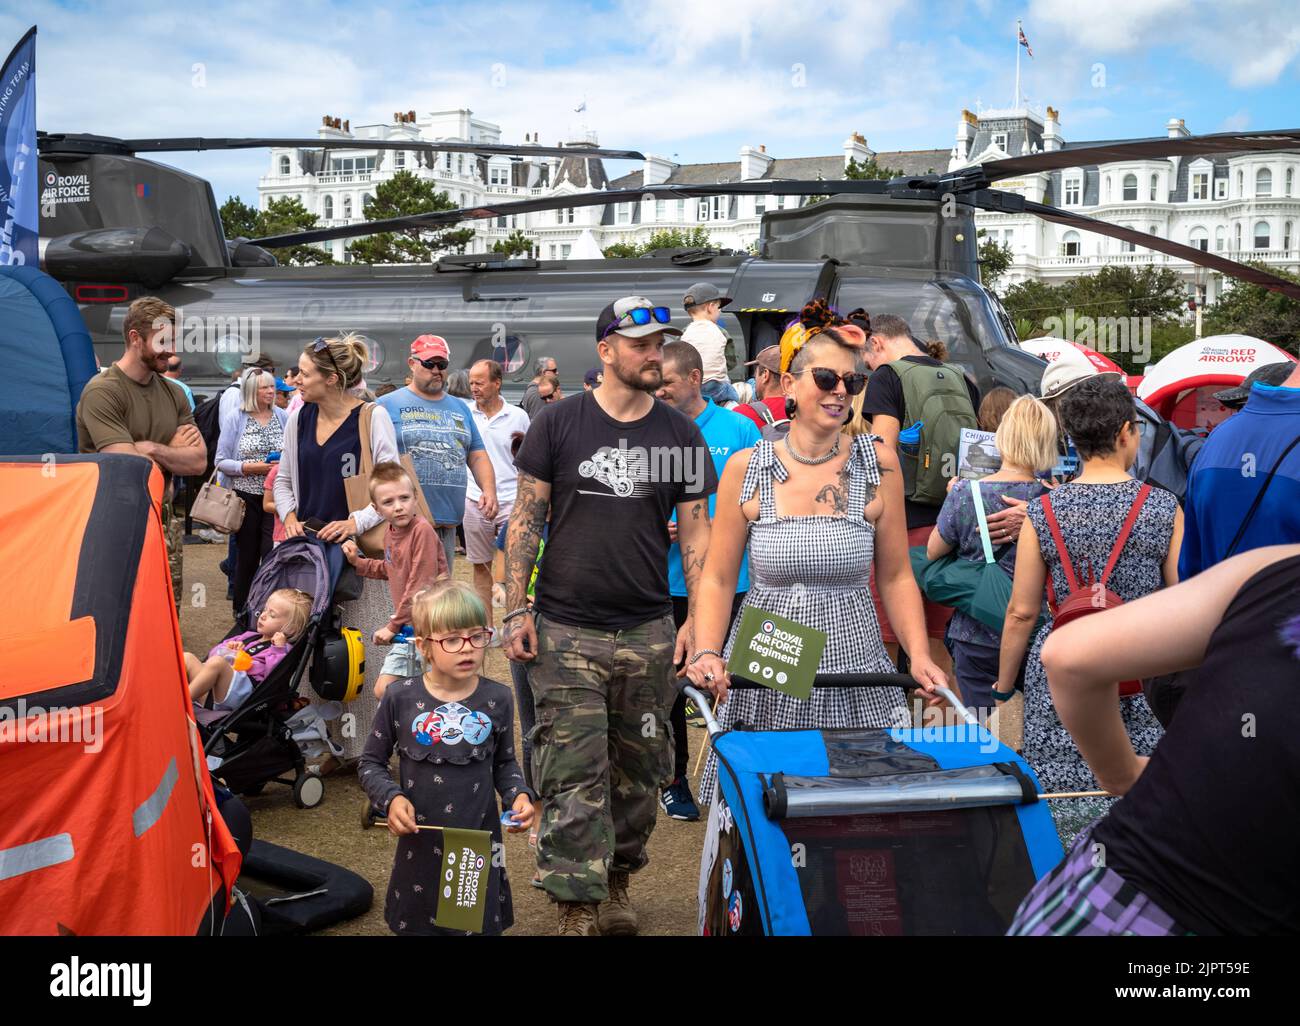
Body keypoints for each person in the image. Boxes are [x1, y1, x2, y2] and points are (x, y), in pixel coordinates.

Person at [503, 295, 716, 936]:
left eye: (659, 345)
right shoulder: (559, 423)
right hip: (566, 627)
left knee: (638, 769)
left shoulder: (679, 434)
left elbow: (699, 537)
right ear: (605, 351)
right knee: (571, 770)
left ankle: (618, 880)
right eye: (640, 344)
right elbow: (525, 519)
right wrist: (516, 607)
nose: (654, 355)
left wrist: (698, 627)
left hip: (649, 628)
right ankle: (576, 902)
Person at [688, 301, 948, 809]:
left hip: (856, 664)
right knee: (770, 802)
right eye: (826, 378)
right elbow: (718, 578)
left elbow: (895, 575)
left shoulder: (879, 464)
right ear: (789, 384)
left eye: (851, 383)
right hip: (767, 662)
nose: (839, 392)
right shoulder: (747, 467)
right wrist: (706, 650)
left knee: (858, 803)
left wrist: (918, 655)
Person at [1009, 544, 1300, 936]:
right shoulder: (1163, 509)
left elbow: (1041, 630)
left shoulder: (1278, 567)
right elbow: (1180, 575)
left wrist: (1120, 774)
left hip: (1090, 900)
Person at [995, 375, 1183, 844]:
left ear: (1072, 440)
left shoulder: (1042, 512)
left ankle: (1068, 887)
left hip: (1063, 667)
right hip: (1140, 666)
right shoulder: (1163, 507)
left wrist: (1002, 689)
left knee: (1063, 797)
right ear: (1126, 433)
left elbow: (1021, 611)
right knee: (1138, 791)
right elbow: (1181, 597)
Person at [358, 581, 536, 936]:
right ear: (424, 646)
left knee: (468, 923)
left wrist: (519, 796)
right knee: (420, 924)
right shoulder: (399, 698)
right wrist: (390, 799)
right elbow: (370, 763)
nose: (467, 648)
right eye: (452, 639)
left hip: (474, 846)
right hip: (419, 846)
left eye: (477, 636)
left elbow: (504, 763)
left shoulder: (498, 698)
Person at [273, 333, 399, 766]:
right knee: (308, 642)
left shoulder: (371, 417)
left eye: (304, 374)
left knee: (359, 646)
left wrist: (354, 522)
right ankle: (320, 743)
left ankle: (365, 749)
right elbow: (285, 479)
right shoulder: (299, 417)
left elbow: (391, 486)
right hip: (307, 551)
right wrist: (289, 516)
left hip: (358, 554)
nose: (296, 382)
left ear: (330, 378)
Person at [655, 340, 761, 822]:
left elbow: (764, 499)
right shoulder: (650, 428)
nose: (660, 391)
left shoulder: (739, 428)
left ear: (695, 379)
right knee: (670, 687)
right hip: (665, 583)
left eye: (668, 383)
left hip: (733, 582)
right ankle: (674, 780)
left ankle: (741, 777)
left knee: (742, 681)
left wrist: (716, 526)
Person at [862, 314, 980, 674]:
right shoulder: (962, 379)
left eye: (866, 361)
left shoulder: (888, 376)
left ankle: (888, 728)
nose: (868, 369)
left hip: (902, 530)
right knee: (937, 647)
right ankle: (945, 727)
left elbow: (881, 454)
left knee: (886, 643)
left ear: (878, 343)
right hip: (951, 530)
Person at [926, 396, 1057, 713]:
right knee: (1038, 727)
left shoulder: (965, 493)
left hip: (975, 633)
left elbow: (933, 550)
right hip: (1038, 633)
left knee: (986, 729)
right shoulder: (1054, 501)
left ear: (1002, 438)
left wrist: (953, 501)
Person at [76, 296, 206, 612]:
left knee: (166, 618)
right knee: (116, 620)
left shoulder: (174, 393)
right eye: (163, 340)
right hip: (113, 526)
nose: (173, 350)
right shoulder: (102, 391)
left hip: (164, 527)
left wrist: (150, 449)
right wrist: (171, 451)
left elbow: (199, 461)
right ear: (135, 338)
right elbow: (128, 469)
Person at [377, 335, 498, 574]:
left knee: (439, 599)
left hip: (447, 522)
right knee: (409, 597)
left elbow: (476, 453)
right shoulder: (385, 405)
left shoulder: (460, 407)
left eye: (441, 365)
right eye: (429, 364)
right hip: (404, 522)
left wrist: (489, 489)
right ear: (412, 363)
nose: (436, 370)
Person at [1179, 359, 1300, 579]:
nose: (1237, 415)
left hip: (1220, 608)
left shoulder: (1216, 440)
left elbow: (1190, 568)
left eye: (1242, 406)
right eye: (1238, 409)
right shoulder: (1215, 441)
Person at [341, 461, 450, 699]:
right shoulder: (390, 533)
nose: (398, 507)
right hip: (410, 627)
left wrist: (392, 626)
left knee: (431, 695)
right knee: (385, 690)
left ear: (415, 497)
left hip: (434, 627)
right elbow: (392, 568)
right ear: (376, 509)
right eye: (388, 502)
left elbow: (421, 585)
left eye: (404, 498)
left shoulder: (421, 531)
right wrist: (358, 563)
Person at [464, 359, 531, 638]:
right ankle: (486, 629)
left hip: (511, 501)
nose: (474, 388)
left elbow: (528, 460)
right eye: (471, 383)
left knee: (515, 566)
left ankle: (513, 624)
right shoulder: (464, 413)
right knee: (481, 566)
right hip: (473, 500)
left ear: (497, 382)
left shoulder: (518, 416)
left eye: (479, 382)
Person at [216, 368, 288, 613]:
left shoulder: (282, 416)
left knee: (270, 552)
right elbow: (221, 460)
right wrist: (250, 467)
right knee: (247, 554)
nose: (271, 391)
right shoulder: (236, 418)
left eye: (272, 387)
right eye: (265, 387)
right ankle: (242, 608)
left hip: (274, 496)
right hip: (245, 497)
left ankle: (267, 607)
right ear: (250, 391)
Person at [185, 588, 311, 710]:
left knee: (217, 663)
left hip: (235, 697)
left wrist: (278, 649)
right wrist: (228, 649)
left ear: (290, 628)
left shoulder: (282, 650)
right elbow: (212, 655)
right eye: (264, 610)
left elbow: (273, 678)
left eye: (272, 615)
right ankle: (173, 692)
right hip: (209, 689)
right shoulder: (250, 636)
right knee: (187, 657)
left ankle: (181, 703)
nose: (262, 616)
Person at [680, 282, 741, 407]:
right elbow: (731, 363)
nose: (719, 312)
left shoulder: (684, 333)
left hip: (692, 389)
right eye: (718, 308)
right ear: (710, 307)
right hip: (717, 388)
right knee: (736, 394)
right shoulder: (720, 331)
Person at [732, 345, 788, 431]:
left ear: (765, 375)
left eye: (756, 374)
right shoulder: (804, 412)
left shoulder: (742, 415)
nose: (755, 379)